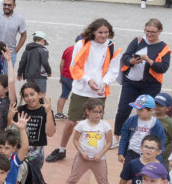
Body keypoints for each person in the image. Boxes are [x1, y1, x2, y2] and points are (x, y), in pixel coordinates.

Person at [46, 19, 120, 163]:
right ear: (93, 32)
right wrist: (88, 80)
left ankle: (93, 152)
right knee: (71, 122)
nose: (104, 35)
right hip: (81, 90)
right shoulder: (81, 44)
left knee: (95, 123)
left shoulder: (112, 47)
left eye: (106, 32)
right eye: (100, 32)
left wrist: (104, 83)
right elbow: (74, 67)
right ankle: (61, 149)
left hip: (99, 93)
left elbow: (113, 71)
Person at [51, 98, 119, 184]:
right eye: (95, 112)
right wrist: (81, 153)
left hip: (99, 160)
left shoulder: (105, 126)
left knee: (103, 182)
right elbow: (75, 140)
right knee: (73, 178)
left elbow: (109, 142)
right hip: (82, 159)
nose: (98, 114)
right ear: (88, 111)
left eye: (100, 112)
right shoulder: (82, 125)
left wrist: (100, 155)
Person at [113, 19, 171, 137]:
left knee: (146, 112)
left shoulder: (164, 47)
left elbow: (163, 68)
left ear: (160, 31)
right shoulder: (138, 40)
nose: (149, 34)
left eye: (153, 32)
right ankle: (117, 135)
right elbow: (125, 56)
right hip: (131, 83)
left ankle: (142, 137)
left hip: (151, 85)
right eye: (147, 31)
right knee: (123, 110)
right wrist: (131, 61)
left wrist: (150, 61)